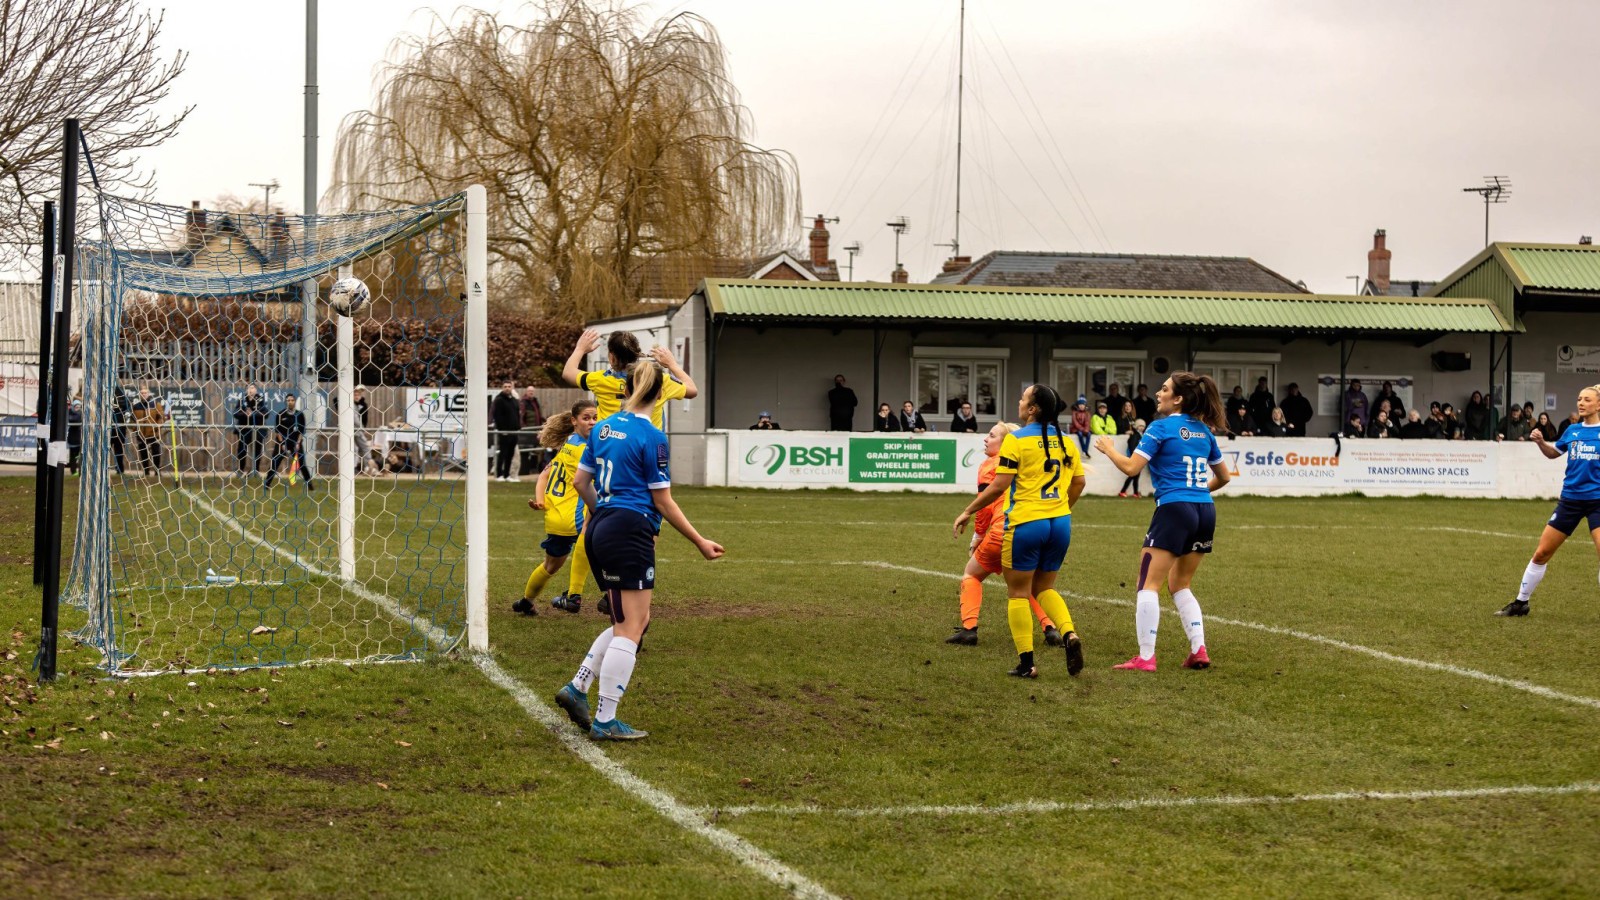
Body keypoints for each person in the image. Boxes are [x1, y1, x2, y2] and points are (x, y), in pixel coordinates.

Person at [552, 360, 724, 741]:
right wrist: (699, 541)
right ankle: (605, 719)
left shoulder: (601, 427)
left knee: (627, 621)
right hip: (629, 530)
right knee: (633, 626)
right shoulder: (653, 436)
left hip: (600, 528)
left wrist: (604, 514)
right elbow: (662, 501)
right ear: (660, 393)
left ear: (626, 390)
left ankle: (578, 687)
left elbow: (581, 482)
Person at [1094, 372, 1231, 672]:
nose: (1158, 393)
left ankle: (1146, 657)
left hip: (1174, 510)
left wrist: (1108, 449)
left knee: (1147, 583)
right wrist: (1195, 493)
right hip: (1205, 511)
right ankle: (1198, 650)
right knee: (1180, 584)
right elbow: (1224, 477)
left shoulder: (1160, 427)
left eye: (1165, 389)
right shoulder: (1204, 432)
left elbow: (1132, 468)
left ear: (1178, 399)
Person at [953, 384, 1085, 680]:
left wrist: (968, 511)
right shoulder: (1066, 441)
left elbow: (999, 485)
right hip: (1060, 524)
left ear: (1033, 409)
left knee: (1018, 594)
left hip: (1026, 523)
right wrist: (1063, 507)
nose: (1020, 401)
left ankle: (1027, 664)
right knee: (1045, 588)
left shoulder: (1016, 439)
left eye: (1024, 398)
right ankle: (1069, 634)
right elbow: (1079, 483)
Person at [945, 422, 1062, 647]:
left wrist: (978, 537)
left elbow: (985, 507)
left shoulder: (990, 465)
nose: (985, 439)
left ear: (1006, 442)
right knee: (1026, 583)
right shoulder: (1026, 461)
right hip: (1032, 529)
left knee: (971, 575)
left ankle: (969, 629)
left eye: (991, 435)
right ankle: (1050, 628)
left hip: (1003, 531)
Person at [1497, 385, 1600, 617]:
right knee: (1542, 553)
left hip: (1598, 502)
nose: (1581, 403)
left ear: (1599, 405)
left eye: (1587, 399)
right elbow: (1554, 453)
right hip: (1570, 500)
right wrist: (1541, 442)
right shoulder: (1572, 430)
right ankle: (1521, 603)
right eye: (1579, 398)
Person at [513, 400, 599, 617]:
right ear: (574, 421)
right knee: (610, 550)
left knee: (550, 566)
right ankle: (577, 596)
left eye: (595, 418)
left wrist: (540, 500)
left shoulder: (569, 442)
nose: (592, 422)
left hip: (556, 516)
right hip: (574, 515)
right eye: (586, 418)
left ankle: (527, 601)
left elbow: (544, 474)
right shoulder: (584, 450)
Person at [563, 329, 697, 429]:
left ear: (612, 357)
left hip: (611, 447)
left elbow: (568, 373)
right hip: (648, 446)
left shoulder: (599, 380)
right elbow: (692, 390)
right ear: (636, 355)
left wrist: (580, 349)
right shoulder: (659, 380)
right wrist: (672, 364)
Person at [263, 393, 314, 490]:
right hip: (282, 442)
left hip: (295, 442)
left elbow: (301, 431)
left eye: (292, 400)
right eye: (288, 400)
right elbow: (277, 431)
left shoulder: (300, 415)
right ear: (286, 402)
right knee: (275, 463)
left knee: (301, 463)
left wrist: (298, 443)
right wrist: (282, 444)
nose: (290, 402)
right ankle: (267, 484)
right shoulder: (280, 414)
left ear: (295, 402)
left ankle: (309, 485)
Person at [131, 386, 166, 477]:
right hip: (141, 434)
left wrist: (157, 427)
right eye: (142, 393)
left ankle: (157, 471)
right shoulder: (136, 406)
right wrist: (135, 428)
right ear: (139, 394)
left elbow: (161, 417)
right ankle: (146, 472)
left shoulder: (155, 404)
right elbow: (132, 420)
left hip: (153, 434)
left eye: (145, 393)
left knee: (156, 453)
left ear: (149, 394)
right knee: (143, 453)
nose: (144, 394)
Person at [233, 385, 267, 476]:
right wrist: (245, 414)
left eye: (252, 388)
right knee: (242, 450)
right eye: (249, 388)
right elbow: (235, 413)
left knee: (257, 450)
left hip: (258, 429)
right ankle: (240, 470)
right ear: (246, 390)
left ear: (256, 390)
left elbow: (266, 413)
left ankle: (255, 471)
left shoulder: (260, 400)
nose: (250, 390)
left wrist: (253, 414)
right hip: (244, 429)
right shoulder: (242, 400)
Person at [492, 381, 523, 482]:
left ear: (511, 388)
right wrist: (502, 430)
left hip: (514, 432)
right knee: (503, 453)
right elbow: (497, 416)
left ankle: (507, 475)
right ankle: (499, 475)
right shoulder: (499, 400)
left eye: (509, 386)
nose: (507, 388)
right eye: (505, 386)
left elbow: (517, 415)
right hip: (504, 432)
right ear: (502, 388)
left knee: (510, 454)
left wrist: (518, 427)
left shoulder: (514, 400)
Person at [518, 387, 547, 477]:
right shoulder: (523, 402)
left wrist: (545, 422)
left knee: (536, 450)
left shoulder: (535, 401)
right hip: (527, 431)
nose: (531, 392)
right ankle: (524, 471)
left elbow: (538, 415)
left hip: (536, 430)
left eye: (532, 391)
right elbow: (521, 416)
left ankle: (534, 469)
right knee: (526, 450)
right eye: (529, 391)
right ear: (526, 392)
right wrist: (523, 428)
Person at [1120, 418, 1146, 496]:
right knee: (1133, 475)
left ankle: (1135, 493)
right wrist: (1134, 457)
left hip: (1138, 458)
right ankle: (1123, 491)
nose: (1141, 427)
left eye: (1143, 426)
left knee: (1136, 476)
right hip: (1135, 458)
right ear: (1136, 426)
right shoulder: (1135, 435)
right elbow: (1132, 447)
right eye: (1140, 426)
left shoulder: (1140, 435)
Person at [351, 387, 373, 475]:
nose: (356, 397)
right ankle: (353, 468)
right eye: (355, 395)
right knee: (354, 449)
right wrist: (362, 428)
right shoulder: (351, 405)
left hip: (358, 431)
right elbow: (355, 419)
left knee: (365, 447)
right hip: (352, 430)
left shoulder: (361, 404)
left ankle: (368, 467)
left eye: (358, 395)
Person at [66, 396, 82, 475]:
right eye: (76, 407)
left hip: (78, 439)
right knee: (73, 456)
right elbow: (74, 419)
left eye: (79, 407)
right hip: (73, 439)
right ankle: (73, 471)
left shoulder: (79, 413)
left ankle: (78, 471)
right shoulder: (73, 414)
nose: (77, 408)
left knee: (78, 456)